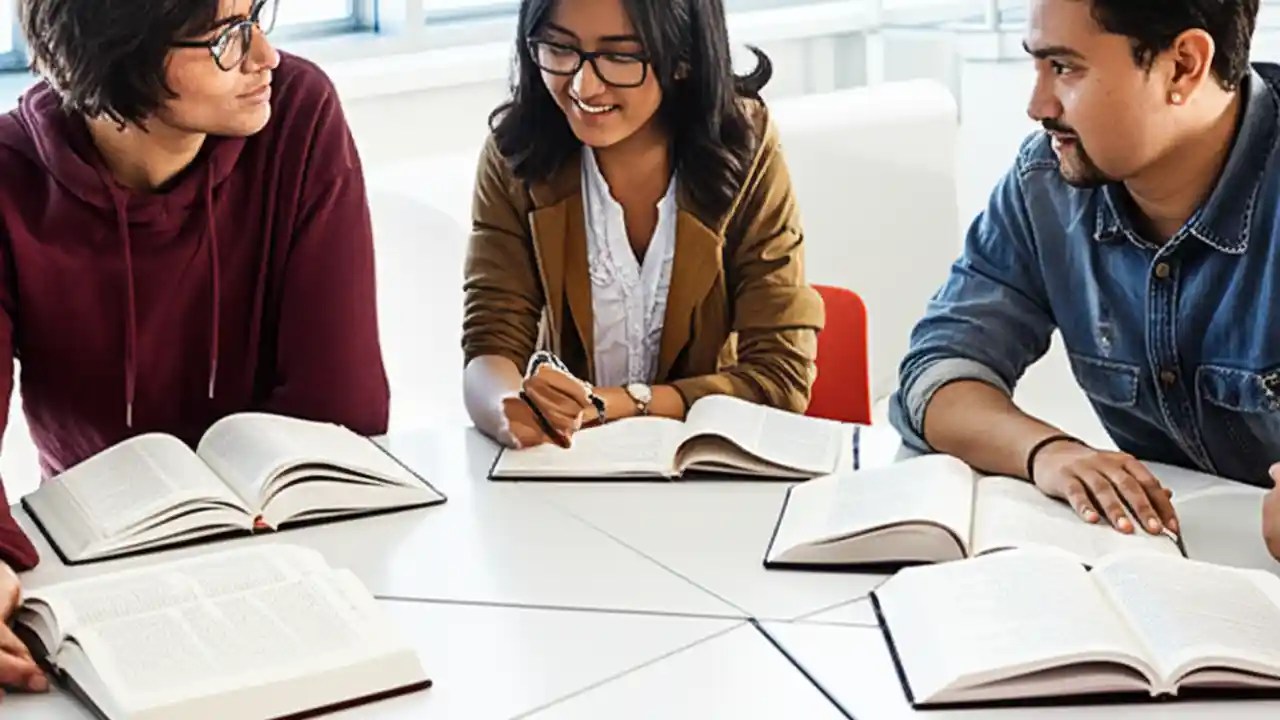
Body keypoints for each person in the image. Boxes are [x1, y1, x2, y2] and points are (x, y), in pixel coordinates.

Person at [0, 0, 390, 692]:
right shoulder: (9, 175)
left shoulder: (298, 114)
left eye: (258, 17)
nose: (264, 56)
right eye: (225, 38)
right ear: (121, 52)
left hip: (284, 548)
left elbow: (341, 404)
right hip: (94, 563)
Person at [889, 0, 1280, 560]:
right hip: (1165, 577)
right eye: (1037, 66)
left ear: (1183, 66)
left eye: (1065, 68)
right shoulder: (1045, 184)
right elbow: (938, 374)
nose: (1036, 105)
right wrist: (1048, 452)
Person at [463, 0, 824, 450]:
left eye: (620, 56)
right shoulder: (517, 154)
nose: (583, 85)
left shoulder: (744, 147)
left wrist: (616, 404)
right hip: (569, 476)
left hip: (710, 477)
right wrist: (509, 408)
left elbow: (781, 378)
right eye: (558, 47)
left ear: (683, 56)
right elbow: (489, 342)